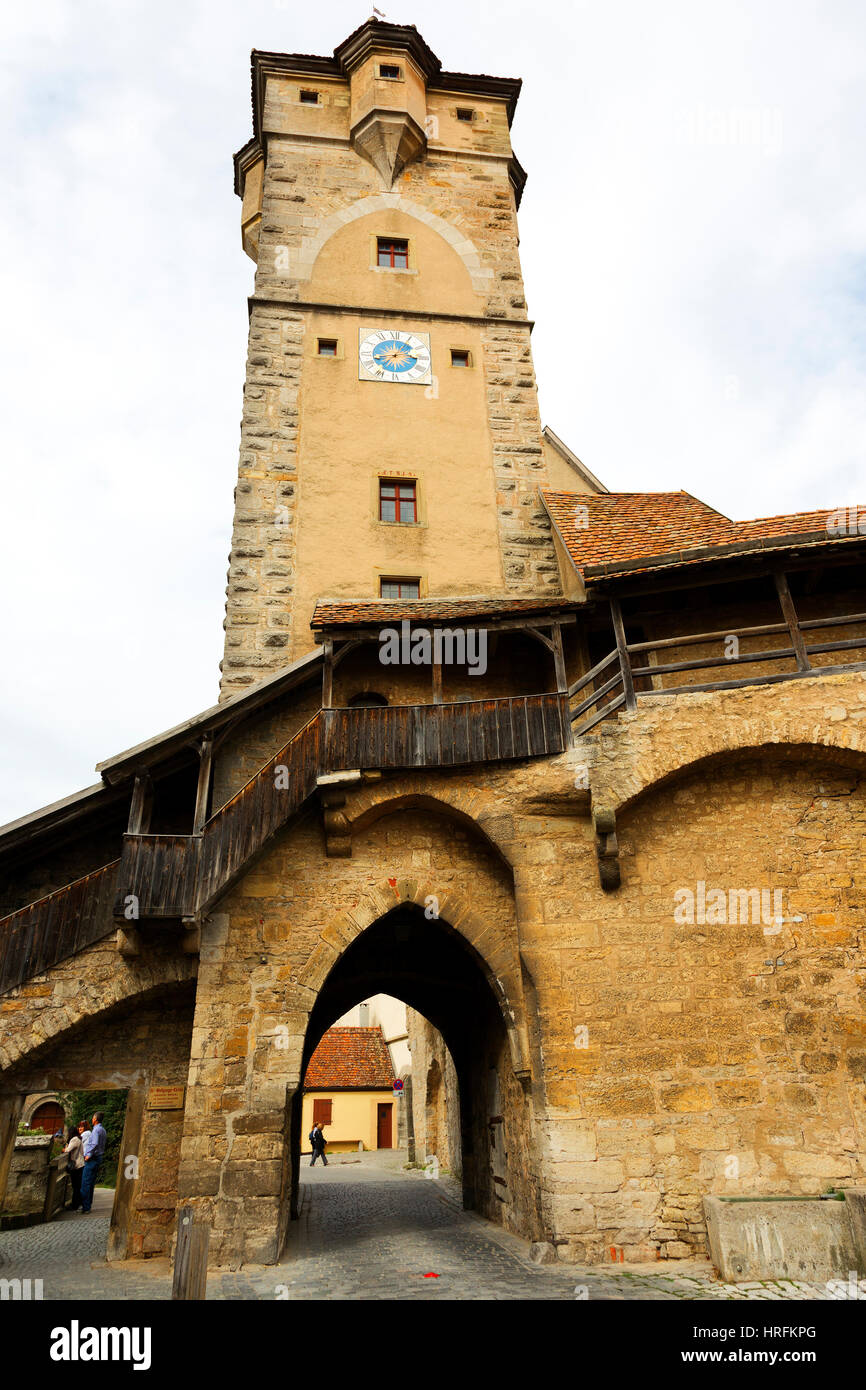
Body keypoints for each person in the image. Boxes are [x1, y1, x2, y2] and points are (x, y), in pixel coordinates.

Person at [79, 1111, 107, 1213]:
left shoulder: (96, 1130)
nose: (92, 1119)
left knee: (85, 1183)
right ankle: (88, 1205)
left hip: (92, 1158)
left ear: (95, 1119)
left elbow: (94, 1143)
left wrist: (88, 1155)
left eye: (93, 1118)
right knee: (90, 1183)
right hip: (98, 1157)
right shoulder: (102, 1130)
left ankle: (86, 1207)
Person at [62, 1124, 85, 1210]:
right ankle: (78, 1203)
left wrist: (63, 1149)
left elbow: (67, 1150)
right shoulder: (79, 1139)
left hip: (76, 1165)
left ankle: (75, 1204)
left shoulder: (74, 1139)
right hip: (80, 1164)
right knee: (77, 1186)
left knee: (75, 1186)